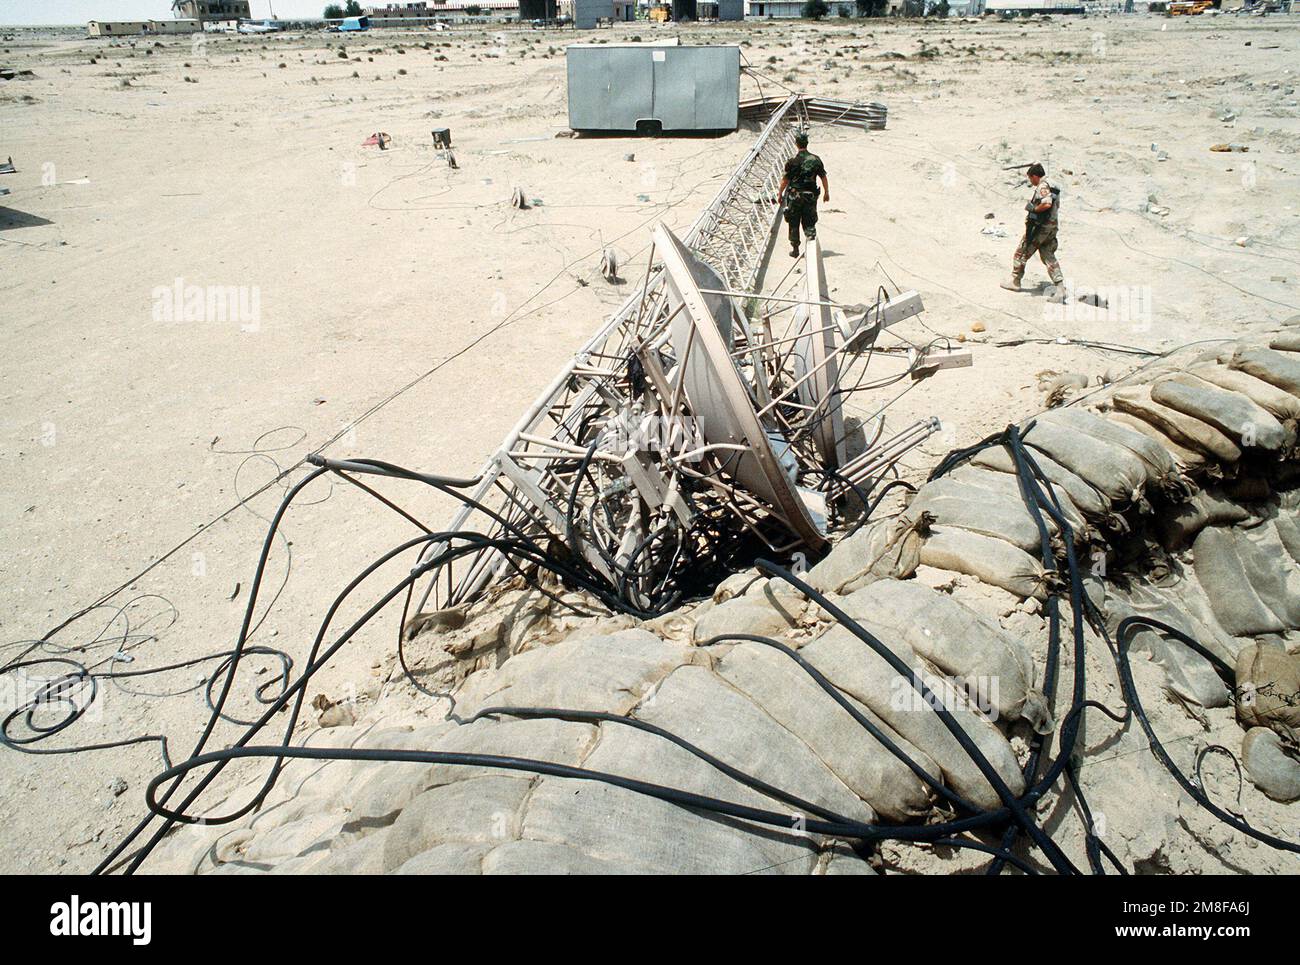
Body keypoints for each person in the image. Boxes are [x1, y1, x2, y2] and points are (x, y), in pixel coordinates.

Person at [1001, 163, 1064, 292]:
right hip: (1051, 226)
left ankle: (1015, 281)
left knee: (1021, 252)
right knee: (1048, 255)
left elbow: (1046, 204)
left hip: (1040, 228)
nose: (1030, 181)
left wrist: (1034, 208)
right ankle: (1060, 287)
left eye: (1030, 178)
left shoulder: (1043, 186)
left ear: (1035, 176)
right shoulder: (1053, 184)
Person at [778, 131, 829, 258]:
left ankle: (795, 249)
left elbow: (785, 180)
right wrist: (826, 192)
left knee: (793, 221)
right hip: (810, 196)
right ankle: (811, 249)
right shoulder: (816, 160)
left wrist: (779, 193)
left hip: (795, 196)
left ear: (796, 144)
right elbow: (823, 177)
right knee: (809, 221)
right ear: (807, 143)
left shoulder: (792, 162)